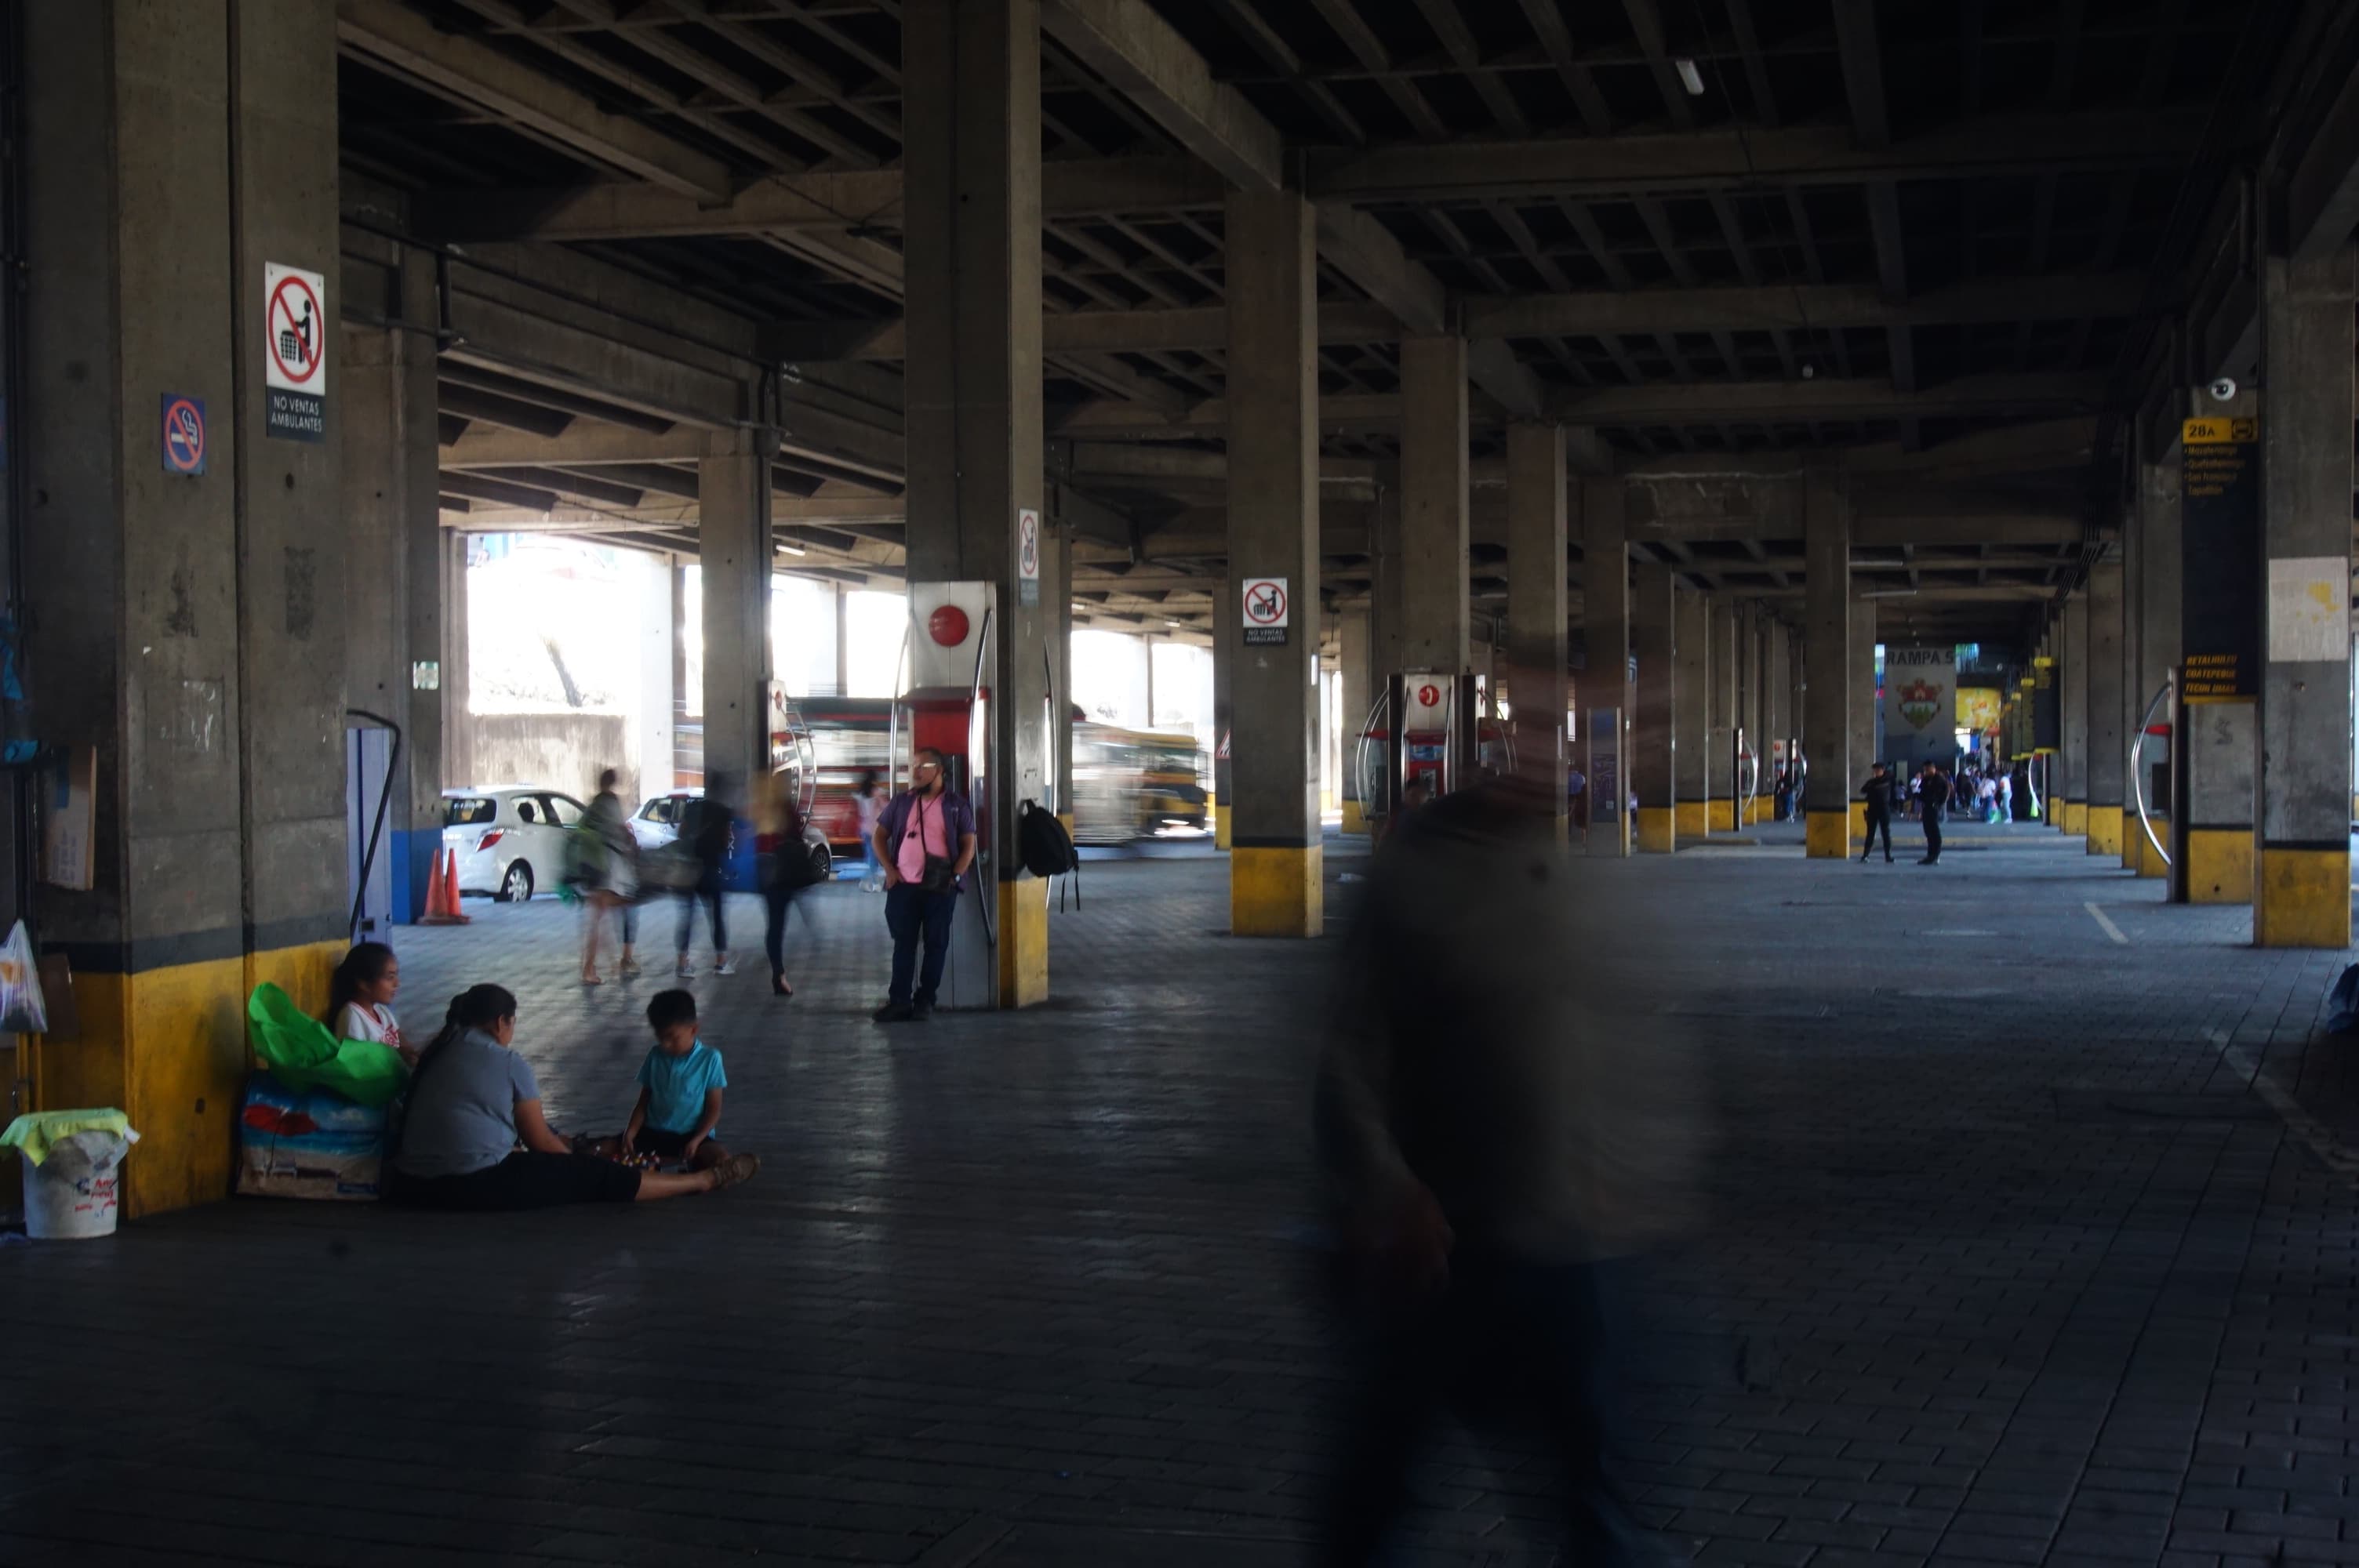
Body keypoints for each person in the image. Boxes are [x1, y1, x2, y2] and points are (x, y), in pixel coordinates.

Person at [1316, 668, 1699, 1566]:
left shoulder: (1607, 875)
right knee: (1369, 1501)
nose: (1558, 751)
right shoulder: (1421, 864)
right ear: (1504, 736)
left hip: (1588, 1256)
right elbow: (1347, 1051)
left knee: (1595, 1505)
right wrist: (1382, 1188)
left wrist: (1649, 1193)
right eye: (1538, 727)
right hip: (1440, 1243)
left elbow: (1641, 1059)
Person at [387, 984, 757, 1209]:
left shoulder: (439, 1050)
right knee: (597, 1177)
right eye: (513, 1023)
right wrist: (576, 1164)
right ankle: (703, 1181)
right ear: (501, 1022)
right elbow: (540, 1142)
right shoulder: (507, 1062)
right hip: (466, 1185)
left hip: (414, 1182)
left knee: (569, 1155)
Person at [871, 747, 976, 1023]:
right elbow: (879, 836)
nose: (915, 772)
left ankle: (925, 1000)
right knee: (903, 944)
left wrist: (955, 877)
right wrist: (889, 869)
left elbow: (969, 845)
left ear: (940, 770)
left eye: (923, 766)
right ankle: (899, 1001)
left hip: (940, 886)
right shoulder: (901, 802)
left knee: (936, 944)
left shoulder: (956, 805)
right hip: (903, 885)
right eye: (912, 766)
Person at [612, 989, 736, 1172]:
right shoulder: (655, 1056)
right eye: (661, 1038)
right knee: (606, 1149)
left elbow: (714, 1109)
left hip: (691, 1137)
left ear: (693, 1029)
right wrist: (630, 1133)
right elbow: (643, 1103)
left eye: (672, 1038)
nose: (666, 1044)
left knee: (721, 1159)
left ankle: (668, 1170)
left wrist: (697, 1140)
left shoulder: (710, 1059)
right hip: (653, 1133)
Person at [753, 769, 813, 999]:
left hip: (766, 873)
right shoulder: (786, 808)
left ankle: (779, 973)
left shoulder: (760, 809)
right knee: (783, 919)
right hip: (785, 873)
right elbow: (797, 836)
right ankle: (810, 933)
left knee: (774, 926)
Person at [580, 768, 641, 985]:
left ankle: (601, 965)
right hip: (609, 871)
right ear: (613, 783)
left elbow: (582, 828)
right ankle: (604, 965)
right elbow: (618, 831)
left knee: (599, 918)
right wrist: (630, 846)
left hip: (594, 869)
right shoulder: (610, 802)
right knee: (620, 908)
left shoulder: (594, 804)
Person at [676, 773, 736, 979]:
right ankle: (721, 961)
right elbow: (727, 839)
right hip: (711, 869)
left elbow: (681, 833)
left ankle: (683, 963)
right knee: (717, 915)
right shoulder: (725, 812)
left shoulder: (693, 807)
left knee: (688, 917)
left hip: (690, 869)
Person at [327, 942, 410, 1066]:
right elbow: (358, 1065)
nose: (397, 983)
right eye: (390, 977)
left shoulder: (382, 1010)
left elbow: (402, 1042)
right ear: (364, 983)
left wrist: (411, 1055)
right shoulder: (352, 1017)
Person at [855, 770, 887, 892]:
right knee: (873, 857)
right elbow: (885, 807)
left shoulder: (861, 794)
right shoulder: (876, 792)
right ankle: (874, 883)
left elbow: (861, 813)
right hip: (874, 830)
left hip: (863, 828)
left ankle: (865, 881)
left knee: (870, 856)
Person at [1859, 763, 1896, 864]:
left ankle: (1888, 856)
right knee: (1870, 833)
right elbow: (1863, 790)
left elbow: (1891, 776)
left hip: (1884, 809)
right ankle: (1865, 855)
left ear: (1882, 770)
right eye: (1875, 770)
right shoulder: (1871, 782)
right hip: (1872, 809)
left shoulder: (1887, 780)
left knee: (1886, 833)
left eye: (1878, 770)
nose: (1876, 772)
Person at [1919, 764, 1950, 865]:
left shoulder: (1939, 780)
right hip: (1926, 807)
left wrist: (1939, 804)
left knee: (1934, 832)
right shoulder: (1926, 780)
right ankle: (1930, 855)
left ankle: (1935, 855)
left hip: (1933, 807)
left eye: (1927, 770)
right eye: (1924, 770)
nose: (1925, 772)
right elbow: (1923, 792)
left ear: (1933, 769)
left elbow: (1945, 792)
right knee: (1928, 831)